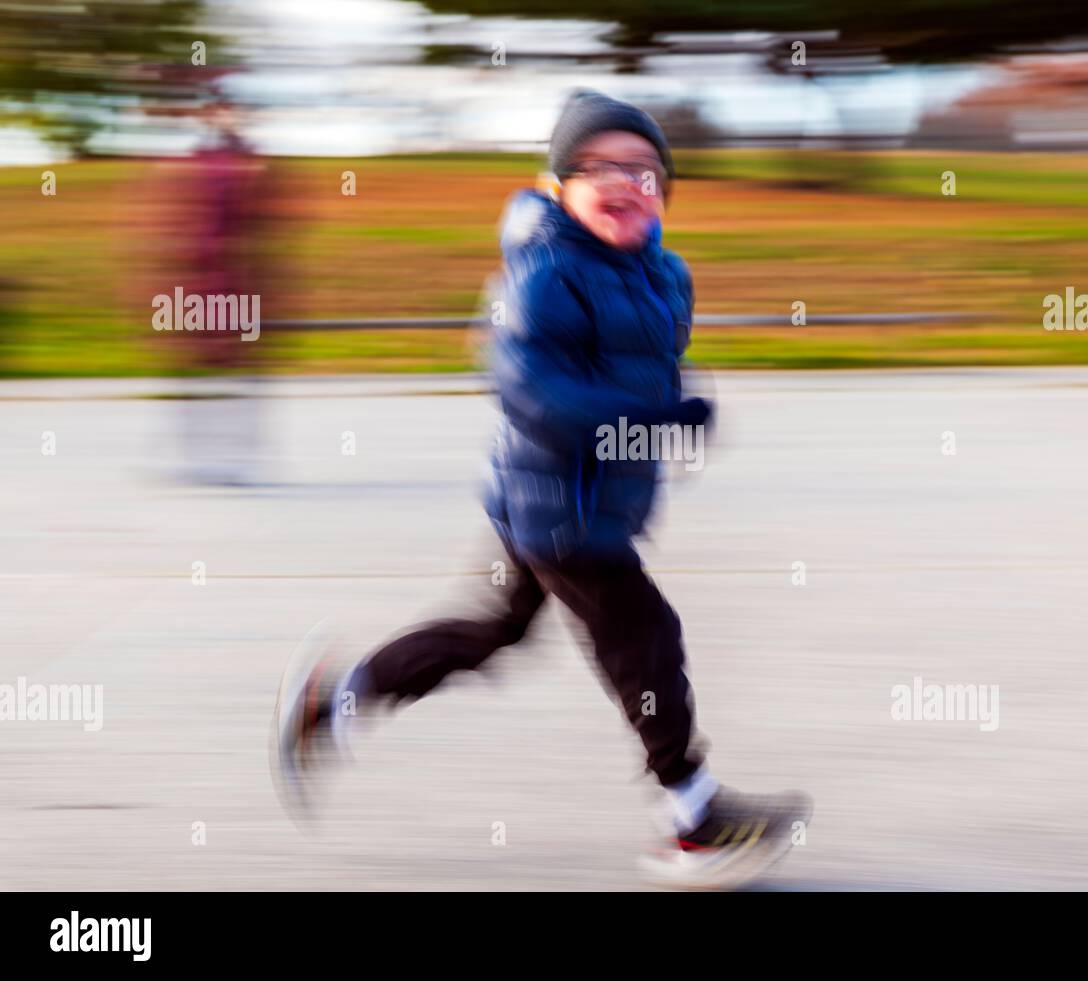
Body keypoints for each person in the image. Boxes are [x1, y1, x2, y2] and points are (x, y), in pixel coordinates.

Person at [273, 90, 811, 888]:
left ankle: (340, 698)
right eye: (605, 169)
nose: (631, 184)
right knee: (646, 641)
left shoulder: (663, 273)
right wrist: (658, 419)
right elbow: (541, 398)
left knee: (495, 628)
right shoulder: (544, 271)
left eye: (648, 170)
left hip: (569, 500)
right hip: (562, 509)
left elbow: (642, 367)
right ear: (560, 183)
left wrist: (677, 406)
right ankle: (694, 816)